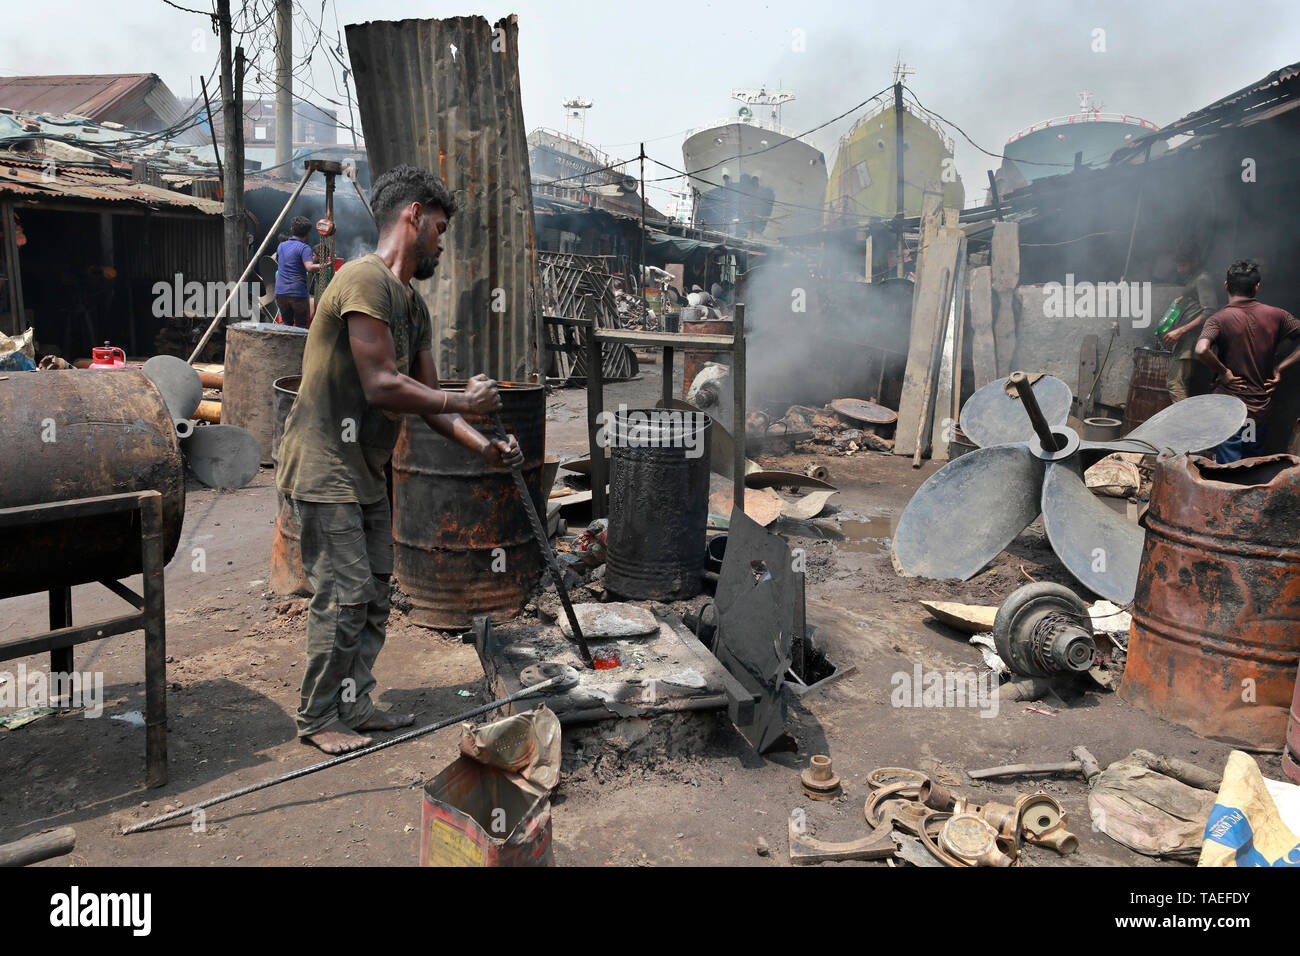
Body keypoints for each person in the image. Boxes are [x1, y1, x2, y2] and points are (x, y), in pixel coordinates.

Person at [276, 165, 523, 754]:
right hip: (322, 463)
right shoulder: (364, 280)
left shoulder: (412, 305)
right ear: (413, 215)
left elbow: (434, 407)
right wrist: (464, 398)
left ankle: (352, 705)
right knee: (344, 592)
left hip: (363, 469)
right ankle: (317, 718)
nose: (442, 240)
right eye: (439, 226)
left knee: (377, 589)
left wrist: (486, 446)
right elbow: (383, 386)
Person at [1194, 258, 1300, 463]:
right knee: (1250, 467)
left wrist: (1224, 372)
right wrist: (1281, 367)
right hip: (1258, 410)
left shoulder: (1218, 319)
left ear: (1226, 286)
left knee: (1226, 468)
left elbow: (1201, 349)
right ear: (1257, 287)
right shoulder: (1277, 315)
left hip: (1228, 409)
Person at [1161, 240, 1218, 401]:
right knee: (1181, 383)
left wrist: (1181, 330)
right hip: (1187, 340)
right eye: (1178, 265)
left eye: (1183, 264)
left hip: (1192, 340)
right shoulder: (1193, 279)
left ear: (1195, 261)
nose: (1179, 269)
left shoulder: (1202, 279)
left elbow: (1210, 311)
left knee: (1175, 383)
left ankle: (1184, 424)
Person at [275, 216, 323, 327]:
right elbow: (309, 268)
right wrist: (327, 265)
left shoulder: (281, 246)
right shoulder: (304, 248)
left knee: (286, 323)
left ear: (292, 230)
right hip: (297, 293)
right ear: (307, 234)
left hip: (281, 292)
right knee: (301, 325)